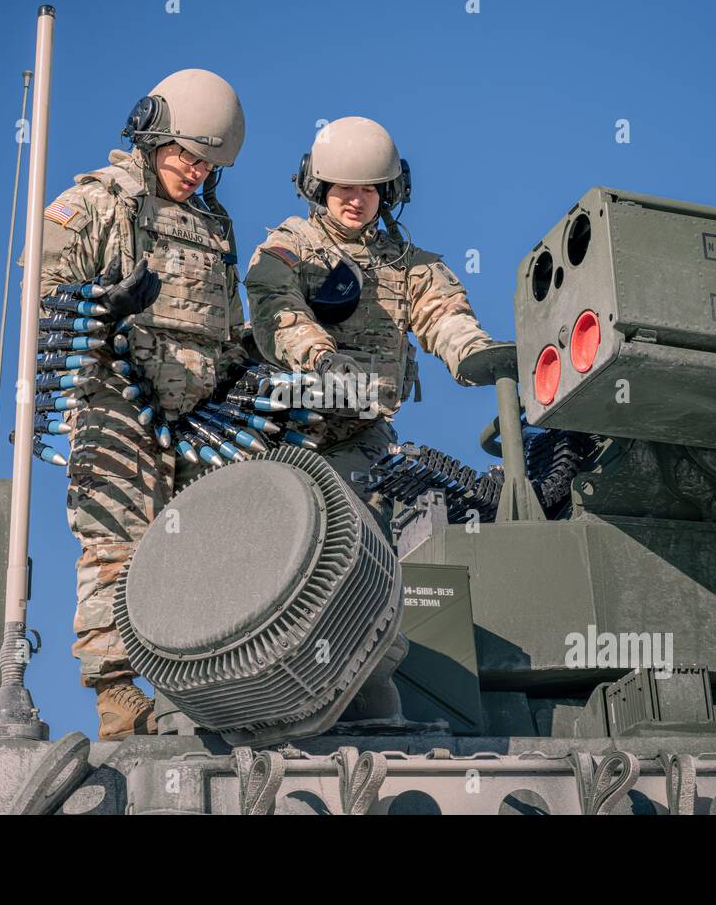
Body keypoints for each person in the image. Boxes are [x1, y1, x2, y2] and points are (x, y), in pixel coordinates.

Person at [36, 69, 247, 739]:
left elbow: (229, 321)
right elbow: (42, 303)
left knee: (211, 550)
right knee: (117, 543)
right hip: (117, 402)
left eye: (208, 161)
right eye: (185, 153)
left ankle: (200, 686)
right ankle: (119, 695)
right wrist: (105, 307)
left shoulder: (215, 226)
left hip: (200, 417)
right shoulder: (97, 203)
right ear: (153, 135)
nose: (194, 170)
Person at [244, 117, 494, 533]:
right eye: (345, 188)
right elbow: (276, 306)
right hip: (285, 429)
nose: (356, 200)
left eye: (368, 189)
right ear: (320, 188)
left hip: (364, 434)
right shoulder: (293, 244)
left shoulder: (412, 264)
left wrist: (476, 354)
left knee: (360, 532)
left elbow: (446, 317)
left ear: (389, 192)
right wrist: (321, 357)